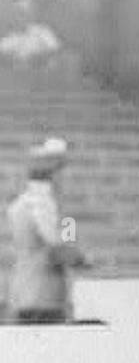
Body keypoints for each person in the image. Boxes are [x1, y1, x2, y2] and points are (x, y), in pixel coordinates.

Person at [6, 137, 86, 323]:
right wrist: (83, 260)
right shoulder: (42, 205)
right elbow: (58, 249)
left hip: (28, 292)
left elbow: (67, 241)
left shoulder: (24, 203)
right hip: (41, 297)